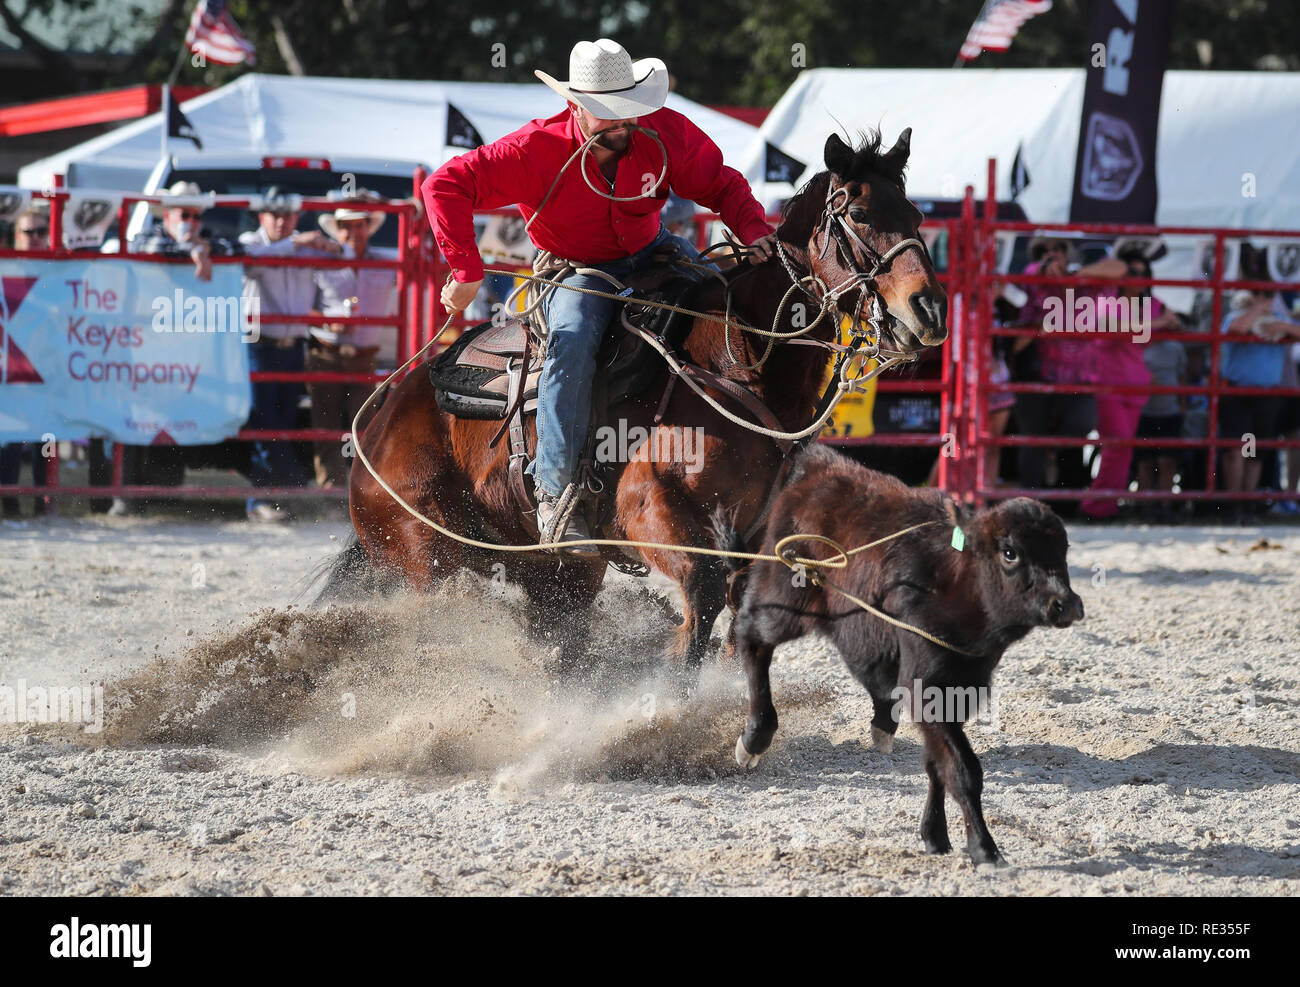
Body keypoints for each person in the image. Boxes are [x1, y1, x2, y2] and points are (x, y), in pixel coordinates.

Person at [423, 38, 774, 552]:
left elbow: (720, 184)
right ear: (575, 106)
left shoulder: (663, 131)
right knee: (572, 342)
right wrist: (466, 268)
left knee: (727, 304)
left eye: (628, 112)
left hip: (652, 249)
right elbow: (445, 185)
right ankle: (555, 493)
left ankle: (759, 461)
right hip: (575, 269)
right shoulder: (534, 149)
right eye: (608, 115)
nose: (622, 125)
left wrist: (753, 228)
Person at [107, 181, 238, 516]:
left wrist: (200, 247)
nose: (191, 221)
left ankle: (162, 491)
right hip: (147, 346)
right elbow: (147, 249)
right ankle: (127, 495)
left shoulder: (207, 238)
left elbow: (234, 248)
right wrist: (193, 251)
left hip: (184, 350)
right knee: (138, 418)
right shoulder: (149, 236)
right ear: (166, 214)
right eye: (184, 214)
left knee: (174, 417)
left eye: (195, 215)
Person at [238, 187, 339, 521]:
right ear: (261, 216)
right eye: (274, 214)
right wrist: (302, 243)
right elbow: (249, 262)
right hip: (258, 345)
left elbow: (340, 257)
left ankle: (271, 497)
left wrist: (328, 244)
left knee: (279, 422)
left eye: (288, 215)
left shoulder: (304, 245)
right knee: (266, 423)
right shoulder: (251, 242)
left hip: (293, 347)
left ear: (296, 217)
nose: (281, 221)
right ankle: (277, 491)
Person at [1079, 242, 1181, 520]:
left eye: (1142, 272)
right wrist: (1159, 324)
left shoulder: (1154, 304)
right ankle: (1096, 505)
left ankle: (1107, 504)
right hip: (1107, 383)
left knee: (1123, 449)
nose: (1137, 277)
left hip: (1136, 385)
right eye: (1131, 271)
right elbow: (1111, 328)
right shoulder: (1107, 299)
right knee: (1118, 445)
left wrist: (1168, 322)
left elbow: (1175, 321)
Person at [309, 196, 398, 488]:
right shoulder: (321, 263)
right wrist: (326, 321)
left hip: (364, 355)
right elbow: (302, 307)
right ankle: (331, 487)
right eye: (346, 227)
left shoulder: (386, 263)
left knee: (368, 426)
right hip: (327, 350)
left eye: (358, 226)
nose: (352, 233)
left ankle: (365, 488)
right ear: (336, 230)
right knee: (327, 425)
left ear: (367, 228)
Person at [1218, 268, 1300, 522]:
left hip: (1266, 396)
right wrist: (1260, 309)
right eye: (1257, 293)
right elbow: (1238, 328)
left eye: (1267, 293)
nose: (1263, 297)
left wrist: (1280, 323)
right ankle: (1235, 505)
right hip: (1238, 393)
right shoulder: (1235, 316)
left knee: (1254, 453)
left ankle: (1248, 503)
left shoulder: (1280, 322)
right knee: (1236, 451)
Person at [1, 202, 51, 518]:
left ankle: (46, 501)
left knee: (47, 444)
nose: (34, 237)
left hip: (48, 372)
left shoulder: (60, 272)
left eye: (40, 231)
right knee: (10, 444)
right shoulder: (5, 271)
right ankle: (10, 503)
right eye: (27, 231)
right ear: (15, 236)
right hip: (11, 371)